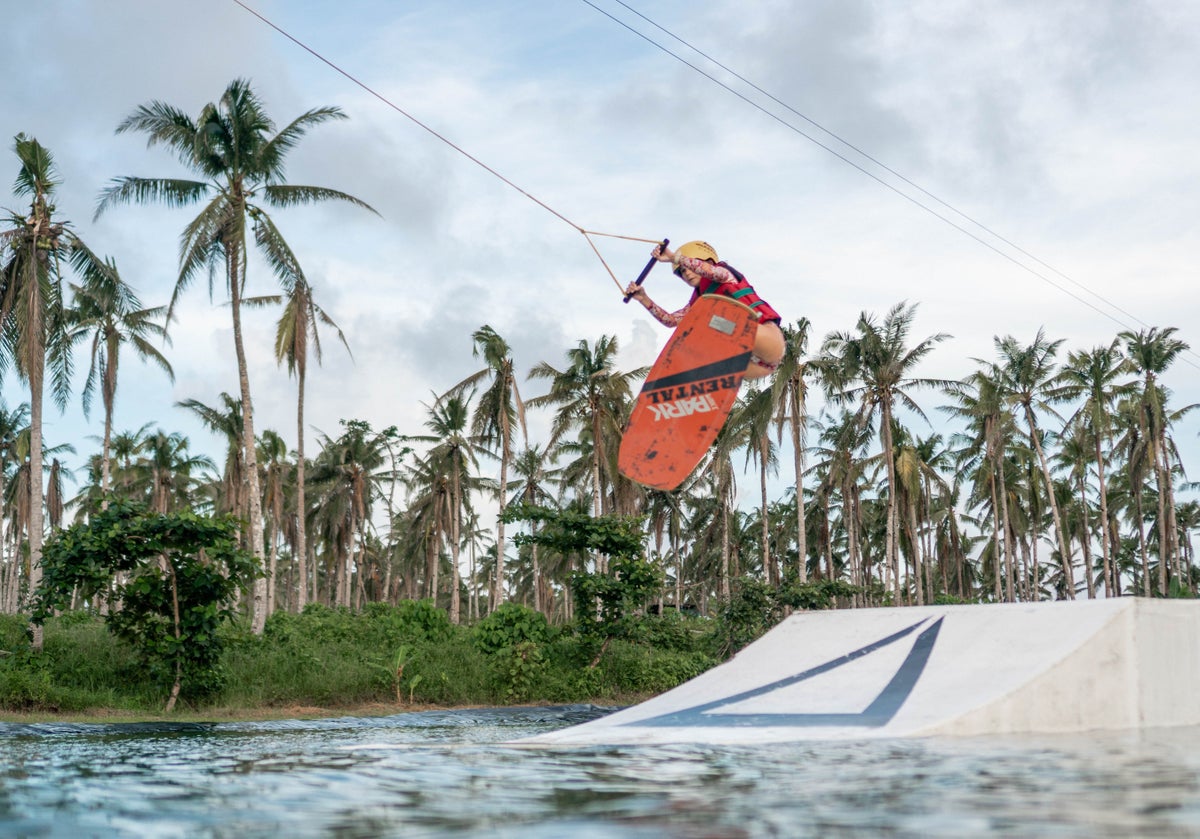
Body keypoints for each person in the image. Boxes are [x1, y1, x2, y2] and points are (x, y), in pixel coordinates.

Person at [624, 240, 785, 379]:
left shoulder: (725, 274)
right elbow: (671, 321)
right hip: (755, 364)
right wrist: (644, 299)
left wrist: (675, 257)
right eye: (681, 272)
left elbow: (711, 272)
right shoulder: (699, 301)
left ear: (707, 261)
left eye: (687, 267)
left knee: (704, 321)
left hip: (767, 339)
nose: (686, 273)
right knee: (694, 326)